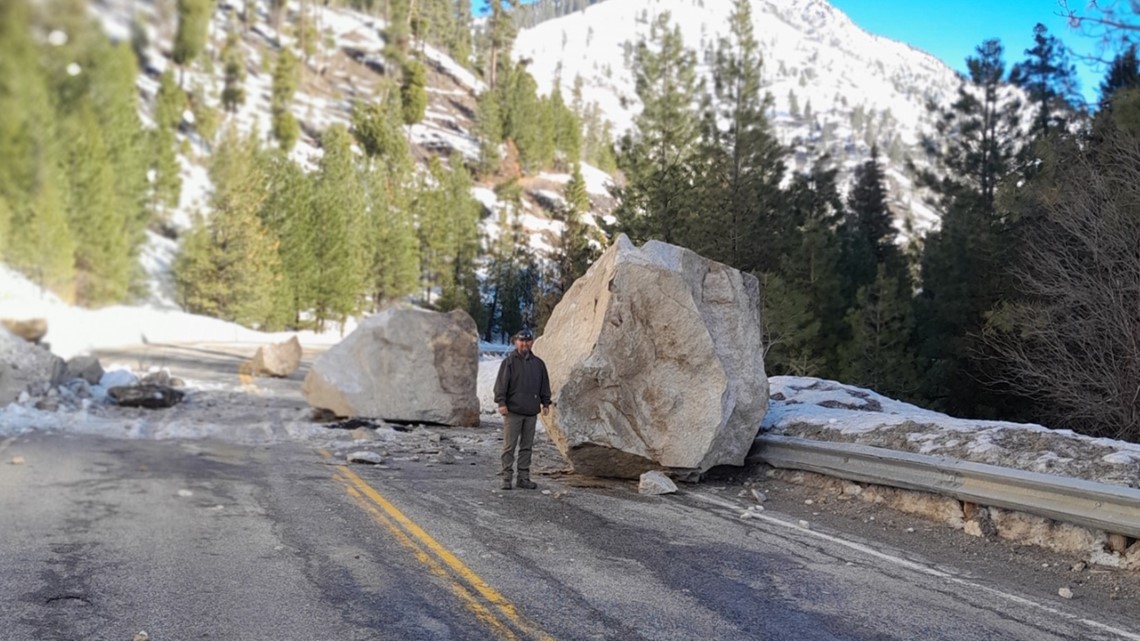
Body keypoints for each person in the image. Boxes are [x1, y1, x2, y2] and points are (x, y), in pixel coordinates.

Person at [493, 328, 551, 490]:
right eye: (521, 340)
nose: (524, 343)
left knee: (527, 447)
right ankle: (506, 477)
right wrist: (501, 403)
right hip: (513, 412)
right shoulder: (509, 362)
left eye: (528, 340)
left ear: (532, 342)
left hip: (531, 412)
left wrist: (546, 403)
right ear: (516, 342)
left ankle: (523, 478)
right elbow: (500, 385)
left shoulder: (539, 364)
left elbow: (544, 385)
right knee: (509, 446)